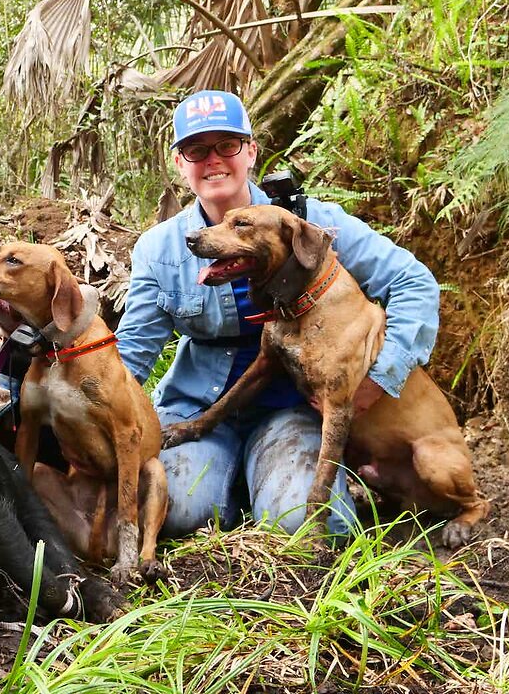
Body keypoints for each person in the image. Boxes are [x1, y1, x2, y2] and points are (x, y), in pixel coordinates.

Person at [115, 90, 441, 538]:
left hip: (290, 411)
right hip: (199, 405)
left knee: (310, 524)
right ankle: (233, 484)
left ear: (250, 151)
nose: (213, 160)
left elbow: (413, 282)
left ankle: (265, 482)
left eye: (227, 145)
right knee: (176, 513)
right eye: (196, 150)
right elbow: (133, 352)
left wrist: (381, 378)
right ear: (179, 163)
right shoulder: (160, 249)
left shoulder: (309, 223)